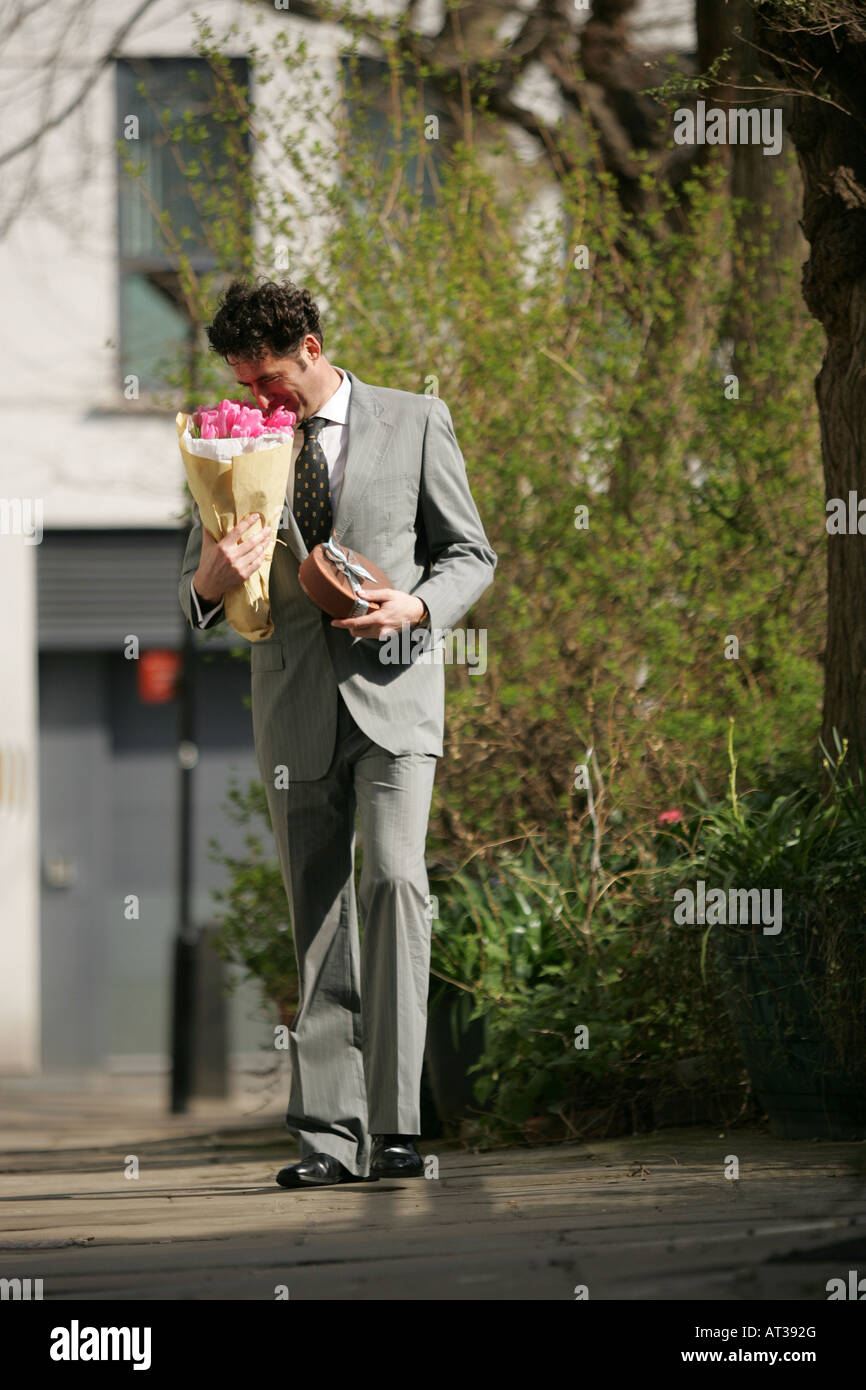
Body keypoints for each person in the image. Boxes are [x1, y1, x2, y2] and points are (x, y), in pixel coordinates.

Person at [178, 278, 497, 1187]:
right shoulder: (228, 444)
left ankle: (398, 1129)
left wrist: (418, 605)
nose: (259, 401)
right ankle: (327, 1136)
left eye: (271, 380)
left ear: (311, 348)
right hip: (292, 710)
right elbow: (192, 592)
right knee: (314, 914)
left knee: (396, 884)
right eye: (246, 383)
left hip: (396, 701)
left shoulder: (417, 418)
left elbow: (470, 552)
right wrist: (210, 577)